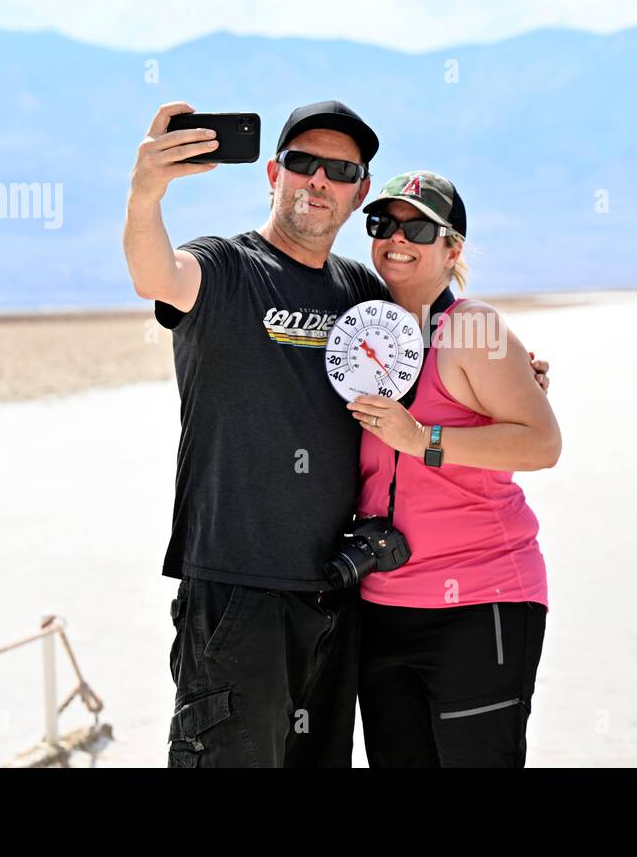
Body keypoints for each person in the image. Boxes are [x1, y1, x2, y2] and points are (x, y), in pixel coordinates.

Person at [122, 101, 549, 767]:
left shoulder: (360, 296)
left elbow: (444, 356)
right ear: (274, 173)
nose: (319, 180)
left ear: (354, 197)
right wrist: (146, 195)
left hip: (340, 594)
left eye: (341, 171)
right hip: (241, 590)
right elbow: (158, 276)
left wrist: (519, 374)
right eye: (303, 163)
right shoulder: (225, 268)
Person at [344, 171, 560, 767]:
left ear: (453, 249)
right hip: (383, 605)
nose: (397, 238)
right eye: (382, 223)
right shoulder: (359, 331)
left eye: (418, 227)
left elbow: (541, 443)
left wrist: (424, 440)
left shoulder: (472, 328)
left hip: (481, 601)